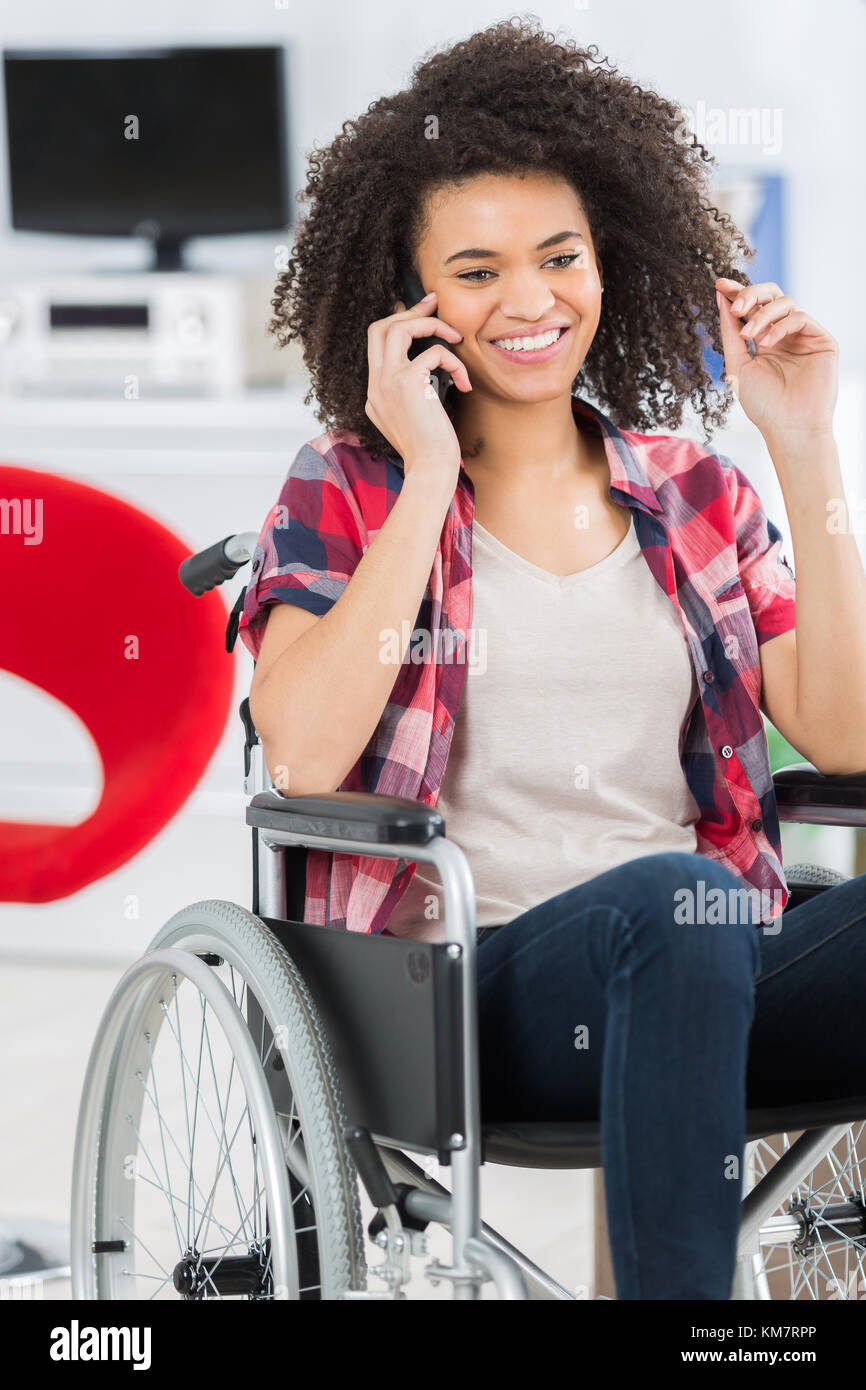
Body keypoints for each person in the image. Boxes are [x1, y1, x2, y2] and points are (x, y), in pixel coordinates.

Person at [239, 19, 866, 1299]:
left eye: (559, 257)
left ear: (608, 262)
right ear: (406, 304)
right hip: (467, 996)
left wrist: (803, 452)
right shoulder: (344, 488)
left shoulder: (698, 492)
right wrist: (421, 474)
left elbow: (845, 737)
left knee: (688, 916)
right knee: (663, 909)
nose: (528, 302)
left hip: (710, 965)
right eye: (474, 271)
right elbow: (300, 749)